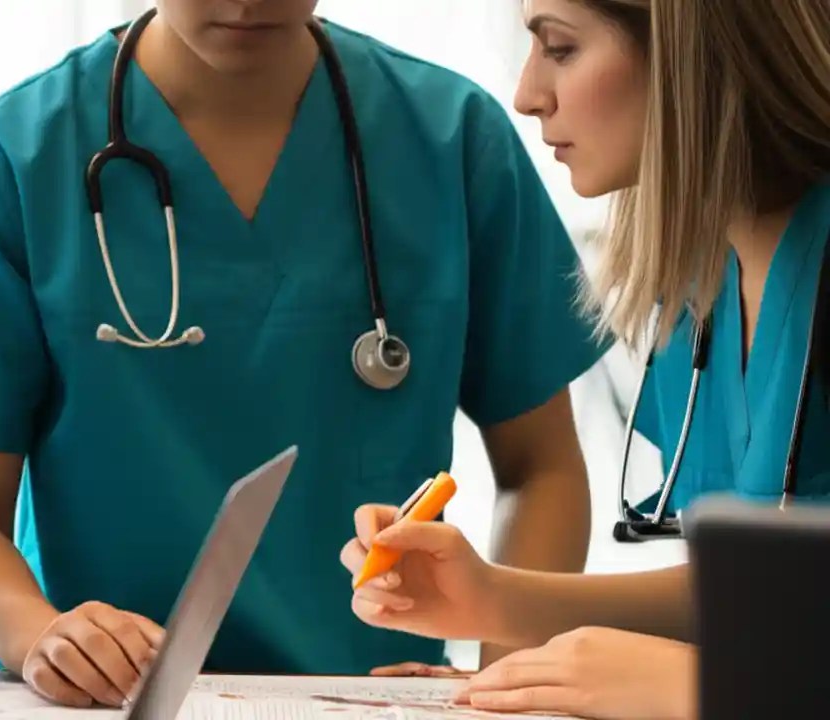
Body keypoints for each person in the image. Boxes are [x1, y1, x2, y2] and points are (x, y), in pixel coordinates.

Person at [0, 0, 606, 708]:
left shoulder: (450, 138)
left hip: (379, 696)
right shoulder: (12, 156)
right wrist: (39, 636)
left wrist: (503, 678)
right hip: (105, 703)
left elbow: (541, 468)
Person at [343, 0, 830, 718]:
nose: (527, 94)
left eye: (562, 49)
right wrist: (494, 602)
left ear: (692, 55)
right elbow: (772, 595)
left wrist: (701, 688)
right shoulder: (703, 291)